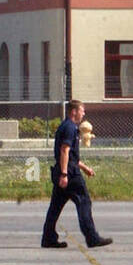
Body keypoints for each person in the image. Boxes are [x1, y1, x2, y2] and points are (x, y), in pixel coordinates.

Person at [42, 100, 113, 250]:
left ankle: (48, 238)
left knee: (55, 207)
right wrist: (64, 174)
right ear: (74, 111)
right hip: (70, 175)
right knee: (84, 202)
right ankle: (92, 238)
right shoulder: (69, 128)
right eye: (82, 110)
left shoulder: (68, 126)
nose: (84, 113)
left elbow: (72, 156)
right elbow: (64, 151)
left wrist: (85, 168)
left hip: (67, 170)